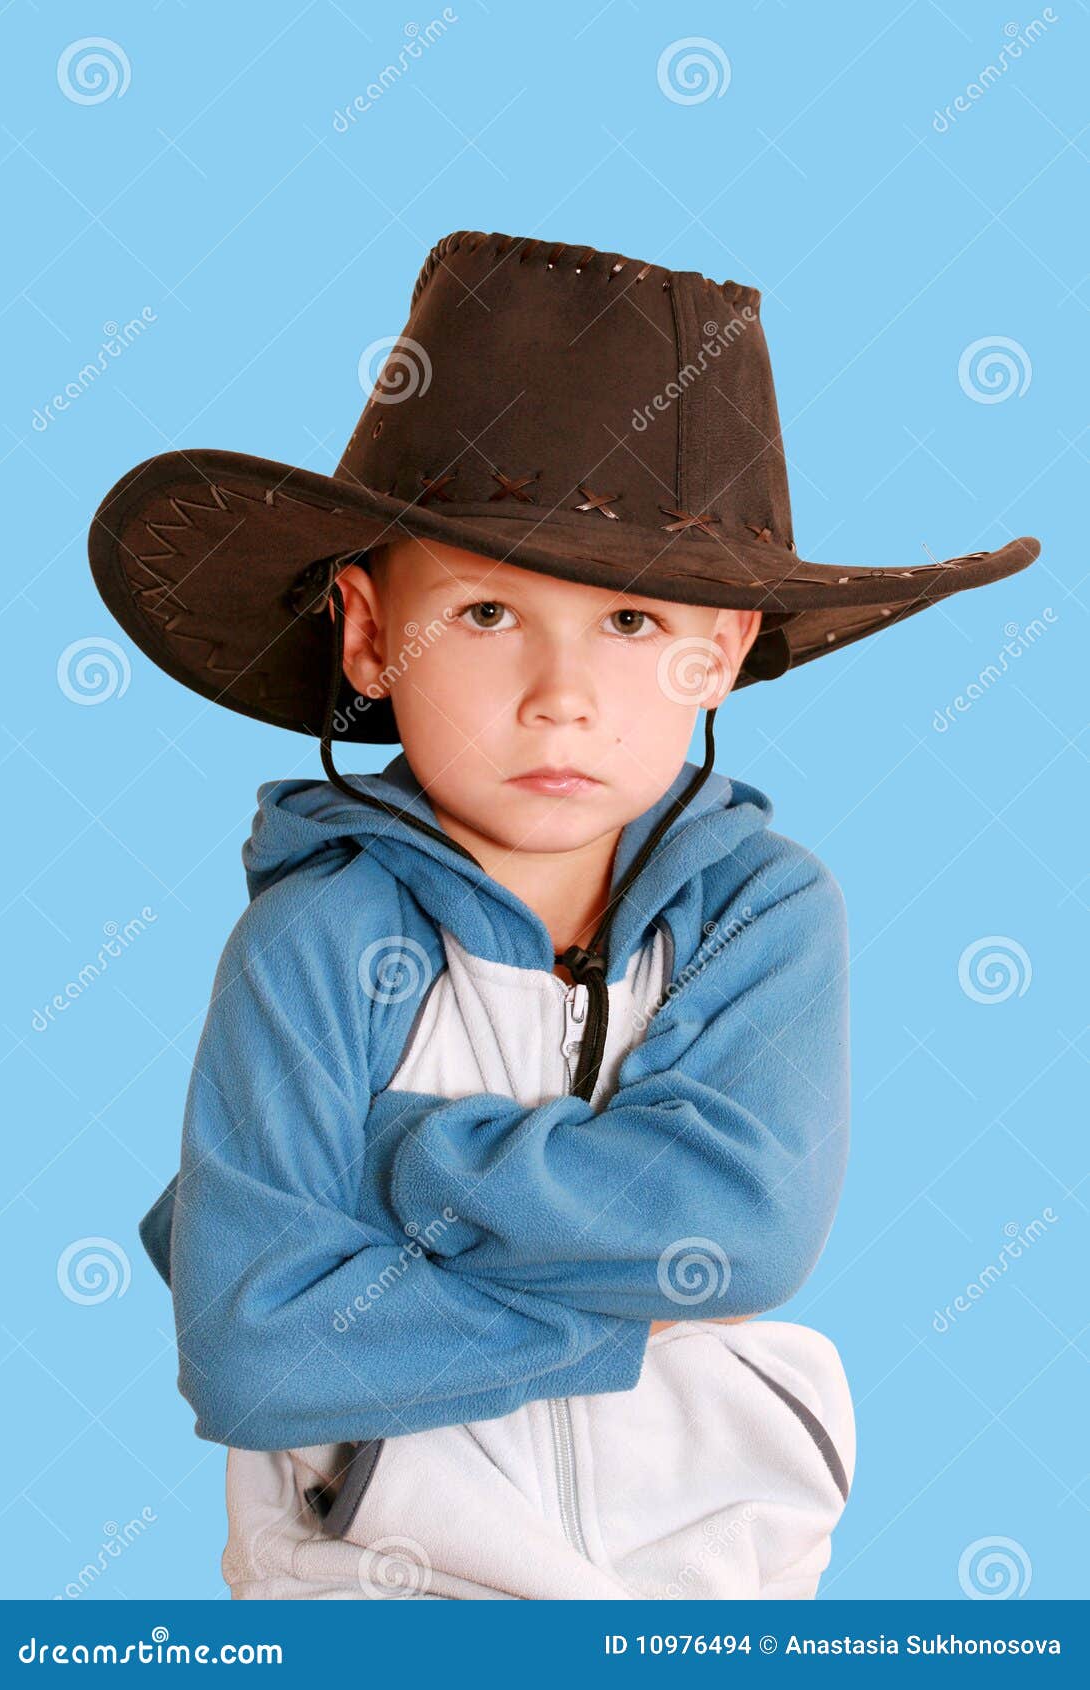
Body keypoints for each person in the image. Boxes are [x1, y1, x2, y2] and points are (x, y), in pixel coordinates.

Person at [87, 227, 1040, 1599]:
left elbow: (746, 1228)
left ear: (723, 655)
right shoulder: (317, 942)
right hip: (374, 1611)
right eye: (484, 613)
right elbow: (256, 1346)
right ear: (368, 634)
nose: (561, 694)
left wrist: (390, 1161)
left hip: (705, 1599)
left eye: (635, 624)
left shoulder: (760, 912)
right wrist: (643, 1322)